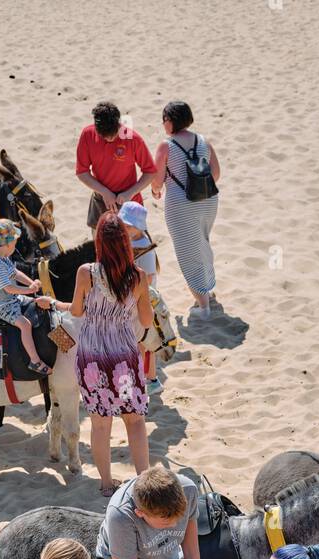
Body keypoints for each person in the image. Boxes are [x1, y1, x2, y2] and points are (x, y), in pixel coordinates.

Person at [37, 212, 153, 492]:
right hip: (123, 355)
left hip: (93, 358)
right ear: (125, 243)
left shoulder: (86, 272)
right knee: (135, 420)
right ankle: (144, 481)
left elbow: (77, 311)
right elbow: (147, 321)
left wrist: (54, 303)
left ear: (99, 241)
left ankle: (105, 483)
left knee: (101, 424)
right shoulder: (138, 276)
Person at [151, 101, 220, 318]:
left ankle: (203, 306)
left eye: (164, 120)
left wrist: (156, 190)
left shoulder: (166, 146)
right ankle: (207, 287)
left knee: (187, 251)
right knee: (203, 242)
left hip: (180, 204)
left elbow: (157, 179)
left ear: (170, 121)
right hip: (208, 200)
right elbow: (216, 174)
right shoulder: (203, 141)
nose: (163, 125)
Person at [0, 218, 48, 375]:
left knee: (37, 303)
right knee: (24, 325)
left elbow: (15, 273)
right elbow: (9, 288)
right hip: (0, 305)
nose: (16, 245)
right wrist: (29, 290)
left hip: (10, 299)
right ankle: (34, 361)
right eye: (14, 242)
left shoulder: (3, 257)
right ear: (6, 245)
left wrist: (31, 283)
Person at [76, 101, 156, 230]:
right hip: (101, 198)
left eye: (113, 134)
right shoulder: (87, 134)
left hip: (128, 200)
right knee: (99, 247)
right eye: (104, 137)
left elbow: (150, 171)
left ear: (119, 125)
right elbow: (82, 172)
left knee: (135, 247)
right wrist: (104, 192)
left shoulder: (132, 138)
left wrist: (129, 193)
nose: (110, 139)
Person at [118, 201, 161, 394]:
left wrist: (138, 298)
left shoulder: (144, 245)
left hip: (143, 300)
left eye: (128, 225)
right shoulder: (128, 240)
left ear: (138, 227)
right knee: (135, 342)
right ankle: (139, 377)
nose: (124, 228)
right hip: (131, 299)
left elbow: (149, 278)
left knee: (147, 341)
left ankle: (152, 380)